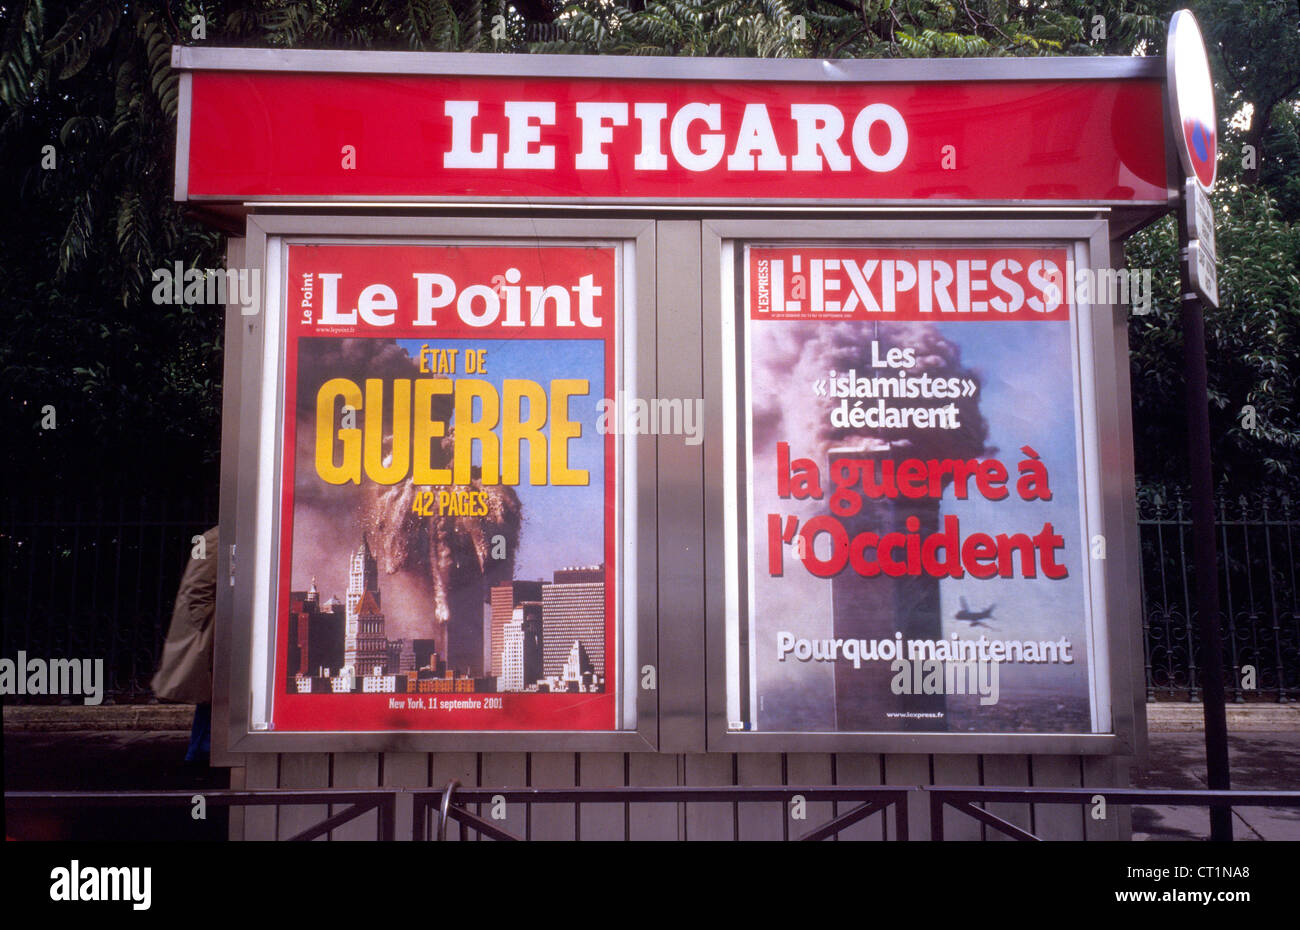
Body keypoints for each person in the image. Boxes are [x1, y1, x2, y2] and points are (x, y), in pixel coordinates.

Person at [152, 526, 219, 764]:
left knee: (215, 695)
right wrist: (216, 627)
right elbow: (195, 591)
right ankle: (200, 751)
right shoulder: (213, 539)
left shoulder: (215, 537)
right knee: (214, 694)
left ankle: (202, 750)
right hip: (216, 631)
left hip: (219, 630)